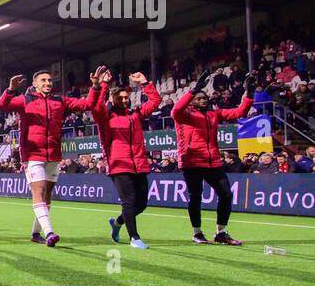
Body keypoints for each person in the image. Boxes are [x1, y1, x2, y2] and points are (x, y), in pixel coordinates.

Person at [0, 69, 98, 246]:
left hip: (53, 154)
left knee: (48, 194)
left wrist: (96, 86)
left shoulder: (60, 101)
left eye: (50, 80)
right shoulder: (26, 99)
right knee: (39, 191)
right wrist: (11, 89)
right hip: (32, 154)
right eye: (43, 80)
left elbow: (88, 104)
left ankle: (36, 233)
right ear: (35, 84)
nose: (48, 83)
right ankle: (49, 231)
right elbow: (2, 106)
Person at [173, 68, 254, 245]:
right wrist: (193, 89)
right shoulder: (185, 115)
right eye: (199, 98)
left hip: (213, 162)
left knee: (225, 194)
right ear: (192, 101)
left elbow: (239, 112)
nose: (203, 100)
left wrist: (249, 93)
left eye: (205, 98)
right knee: (196, 197)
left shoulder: (213, 114)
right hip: (192, 161)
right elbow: (175, 111)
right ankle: (197, 233)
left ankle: (221, 233)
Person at [91, 69, 160, 249]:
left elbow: (155, 101)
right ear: (112, 99)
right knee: (128, 201)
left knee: (142, 204)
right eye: (120, 98)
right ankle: (134, 238)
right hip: (119, 165)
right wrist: (103, 84)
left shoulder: (135, 114)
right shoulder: (106, 118)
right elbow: (96, 107)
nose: (124, 100)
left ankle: (117, 223)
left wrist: (145, 83)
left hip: (139, 163)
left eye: (125, 97)